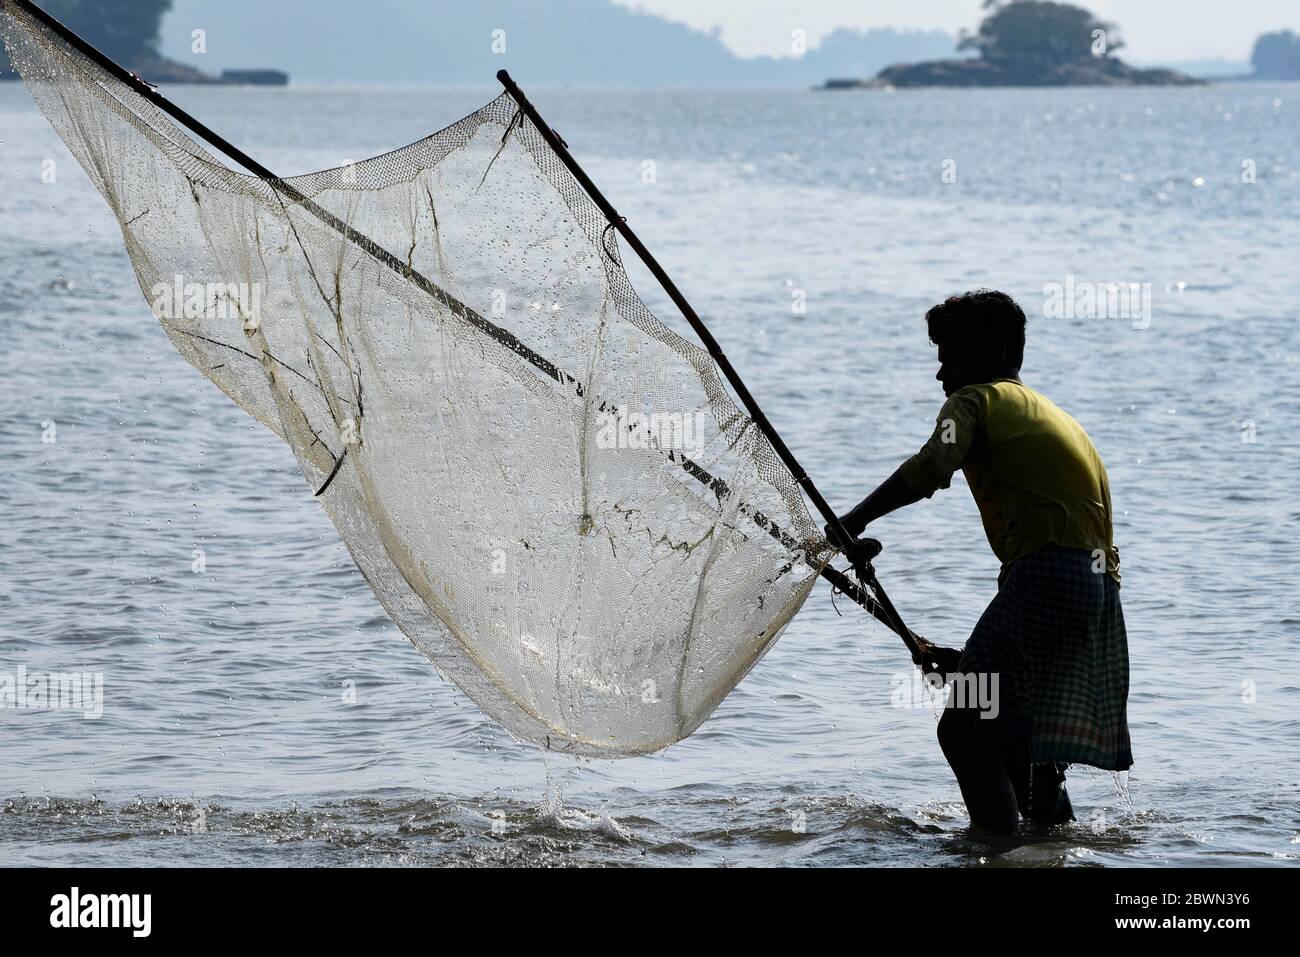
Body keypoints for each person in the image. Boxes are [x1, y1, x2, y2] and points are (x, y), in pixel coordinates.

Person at [828, 290, 1132, 834]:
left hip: (1044, 576)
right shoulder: (1052, 413)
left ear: (993, 353)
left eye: (949, 354)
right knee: (1015, 735)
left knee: (964, 729)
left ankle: (991, 849)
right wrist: (971, 660)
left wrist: (854, 521)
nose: (941, 371)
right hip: (1093, 588)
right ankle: (1050, 845)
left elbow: (931, 465)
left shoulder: (974, 401)